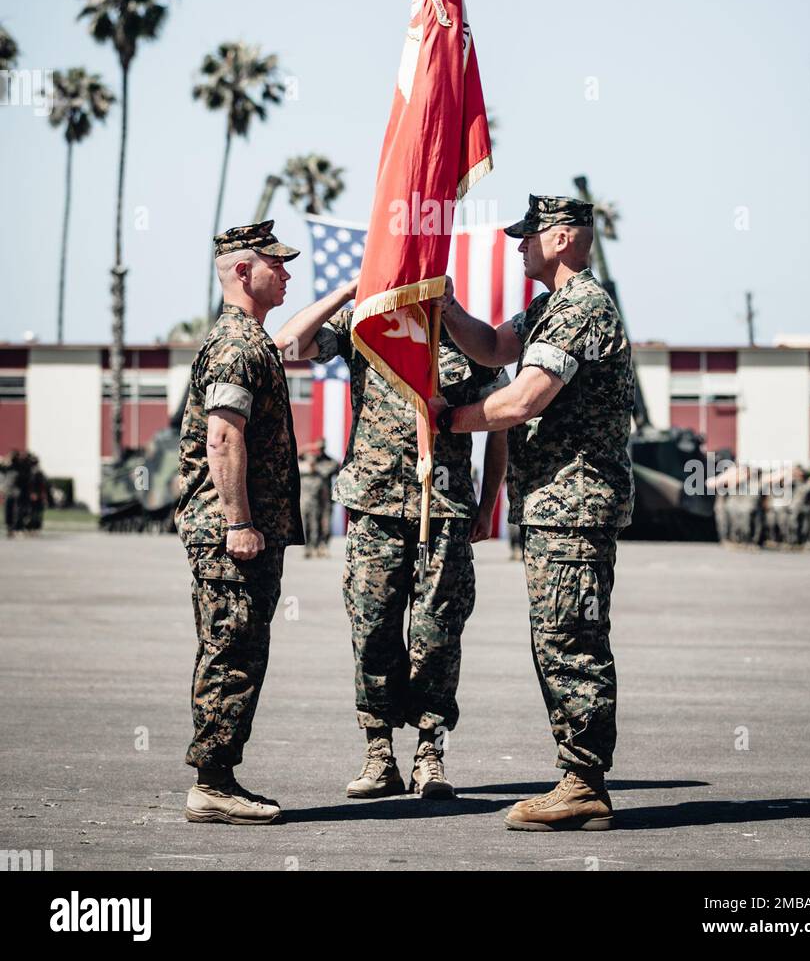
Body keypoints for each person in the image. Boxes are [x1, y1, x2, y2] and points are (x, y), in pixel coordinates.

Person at [431, 194, 635, 831]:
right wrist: (446, 308)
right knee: (556, 635)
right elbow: (493, 347)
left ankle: (583, 782)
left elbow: (522, 399)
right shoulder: (550, 307)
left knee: (571, 638)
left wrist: (451, 420)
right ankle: (579, 779)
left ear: (564, 239)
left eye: (530, 235)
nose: (519, 245)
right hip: (554, 504)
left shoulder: (581, 309)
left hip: (576, 503)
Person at [276, 277, 508, 800]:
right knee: (373, 629)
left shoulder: (471, 340)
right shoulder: (368, 325)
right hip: (375, 506)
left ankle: (430, 753)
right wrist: (347, 293)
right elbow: (287, 345)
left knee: (438, 635)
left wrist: (489, 502)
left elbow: (500, 426)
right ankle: (378, 752)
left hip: (444, 509)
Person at [176, 220, 303, 824]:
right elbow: (223, 437)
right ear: (244, 272)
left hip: (246, 533)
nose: (287, 273)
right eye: (276, 264)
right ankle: (212, 783)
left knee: (240, 648)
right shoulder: (235, 345)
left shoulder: (250, 340)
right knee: (231, 649)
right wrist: (239, 522)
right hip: (233, 537)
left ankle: (218, 775)